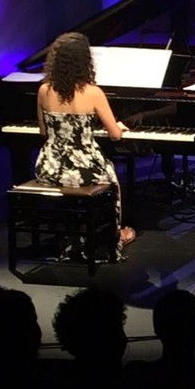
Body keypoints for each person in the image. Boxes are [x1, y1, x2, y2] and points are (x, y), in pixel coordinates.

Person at [35, 31, 135, 250]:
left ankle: (71, 231)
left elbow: (44, 133)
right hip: (84, 168)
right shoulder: (93, 92)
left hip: (49, 167)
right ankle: (112, 236)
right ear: (84, 62)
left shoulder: (43, 90)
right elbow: (115, 136)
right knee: (111, 178)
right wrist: (117, 125)